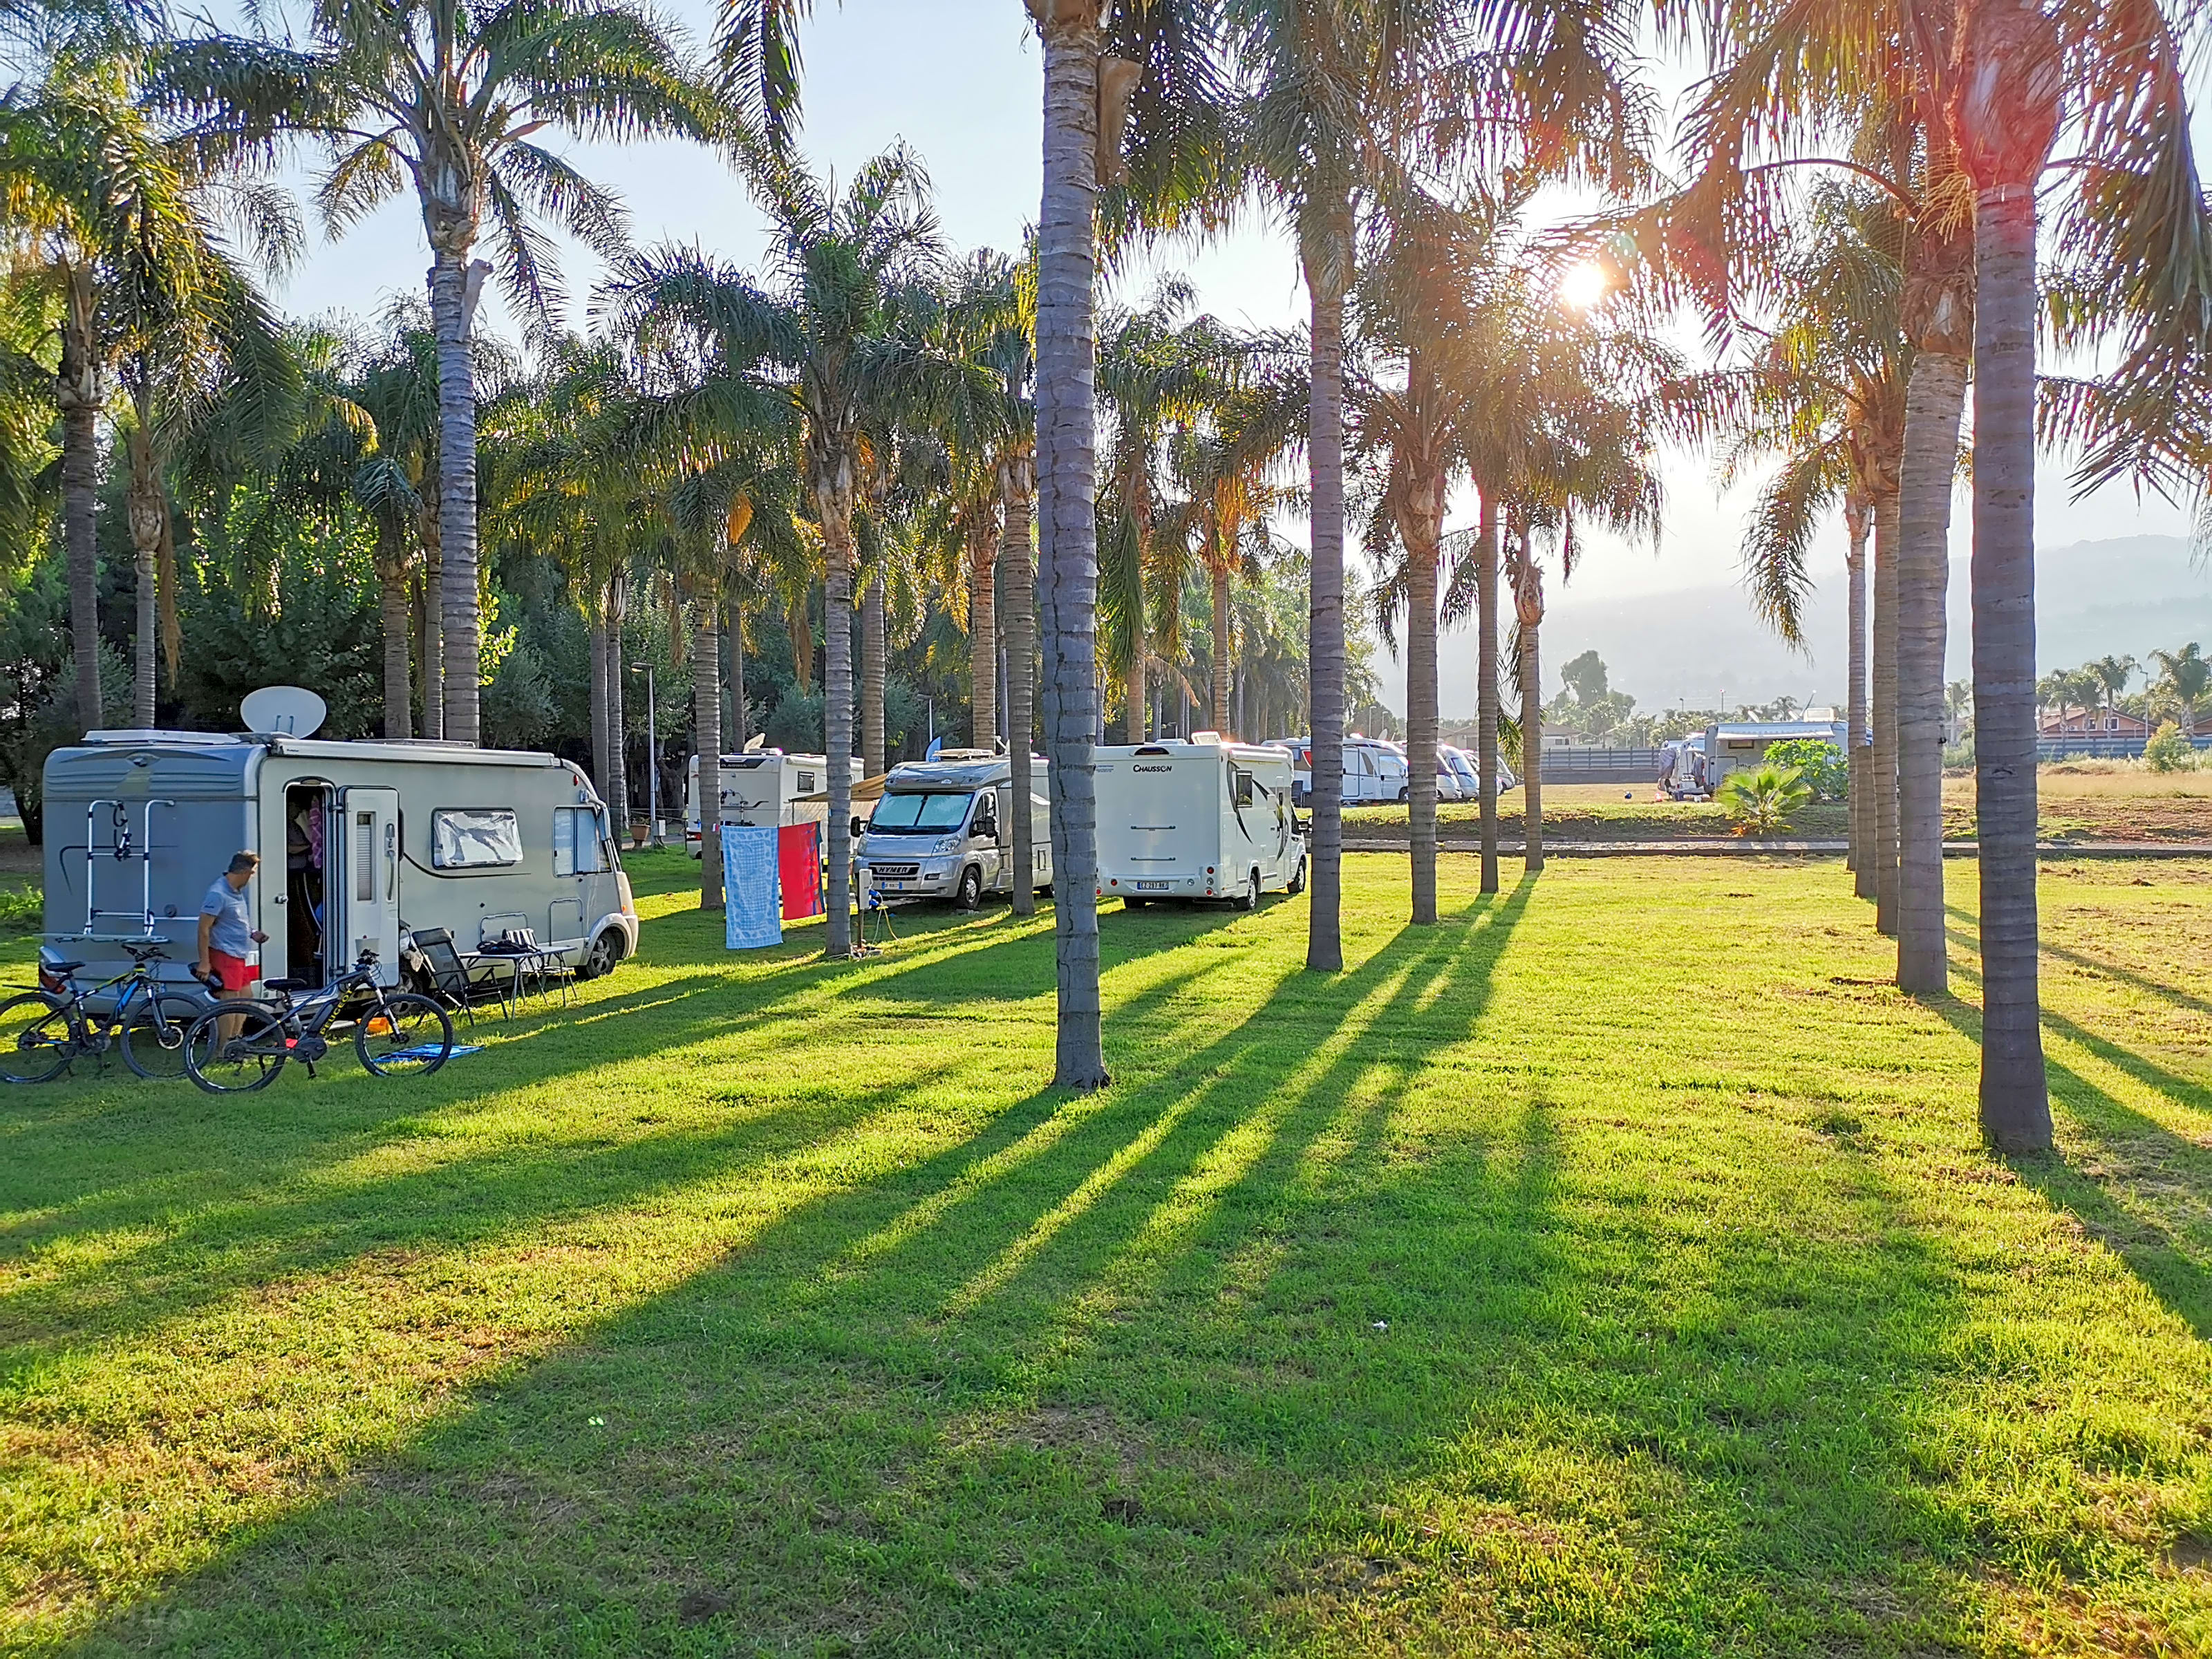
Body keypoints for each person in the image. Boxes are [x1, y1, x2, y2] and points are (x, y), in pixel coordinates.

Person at [196, 851, 268, 1042]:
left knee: (246, 997)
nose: (253, 877)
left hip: (239, 954)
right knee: (231, 1002)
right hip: (224, 954)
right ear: (244, 872)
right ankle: (223, 1048)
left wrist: (252, 933)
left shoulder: (235, 892)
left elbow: (234, 921)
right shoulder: (217, 894)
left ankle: (236, 1042)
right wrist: (205, 962)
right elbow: (204, 928)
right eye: (252, 873)